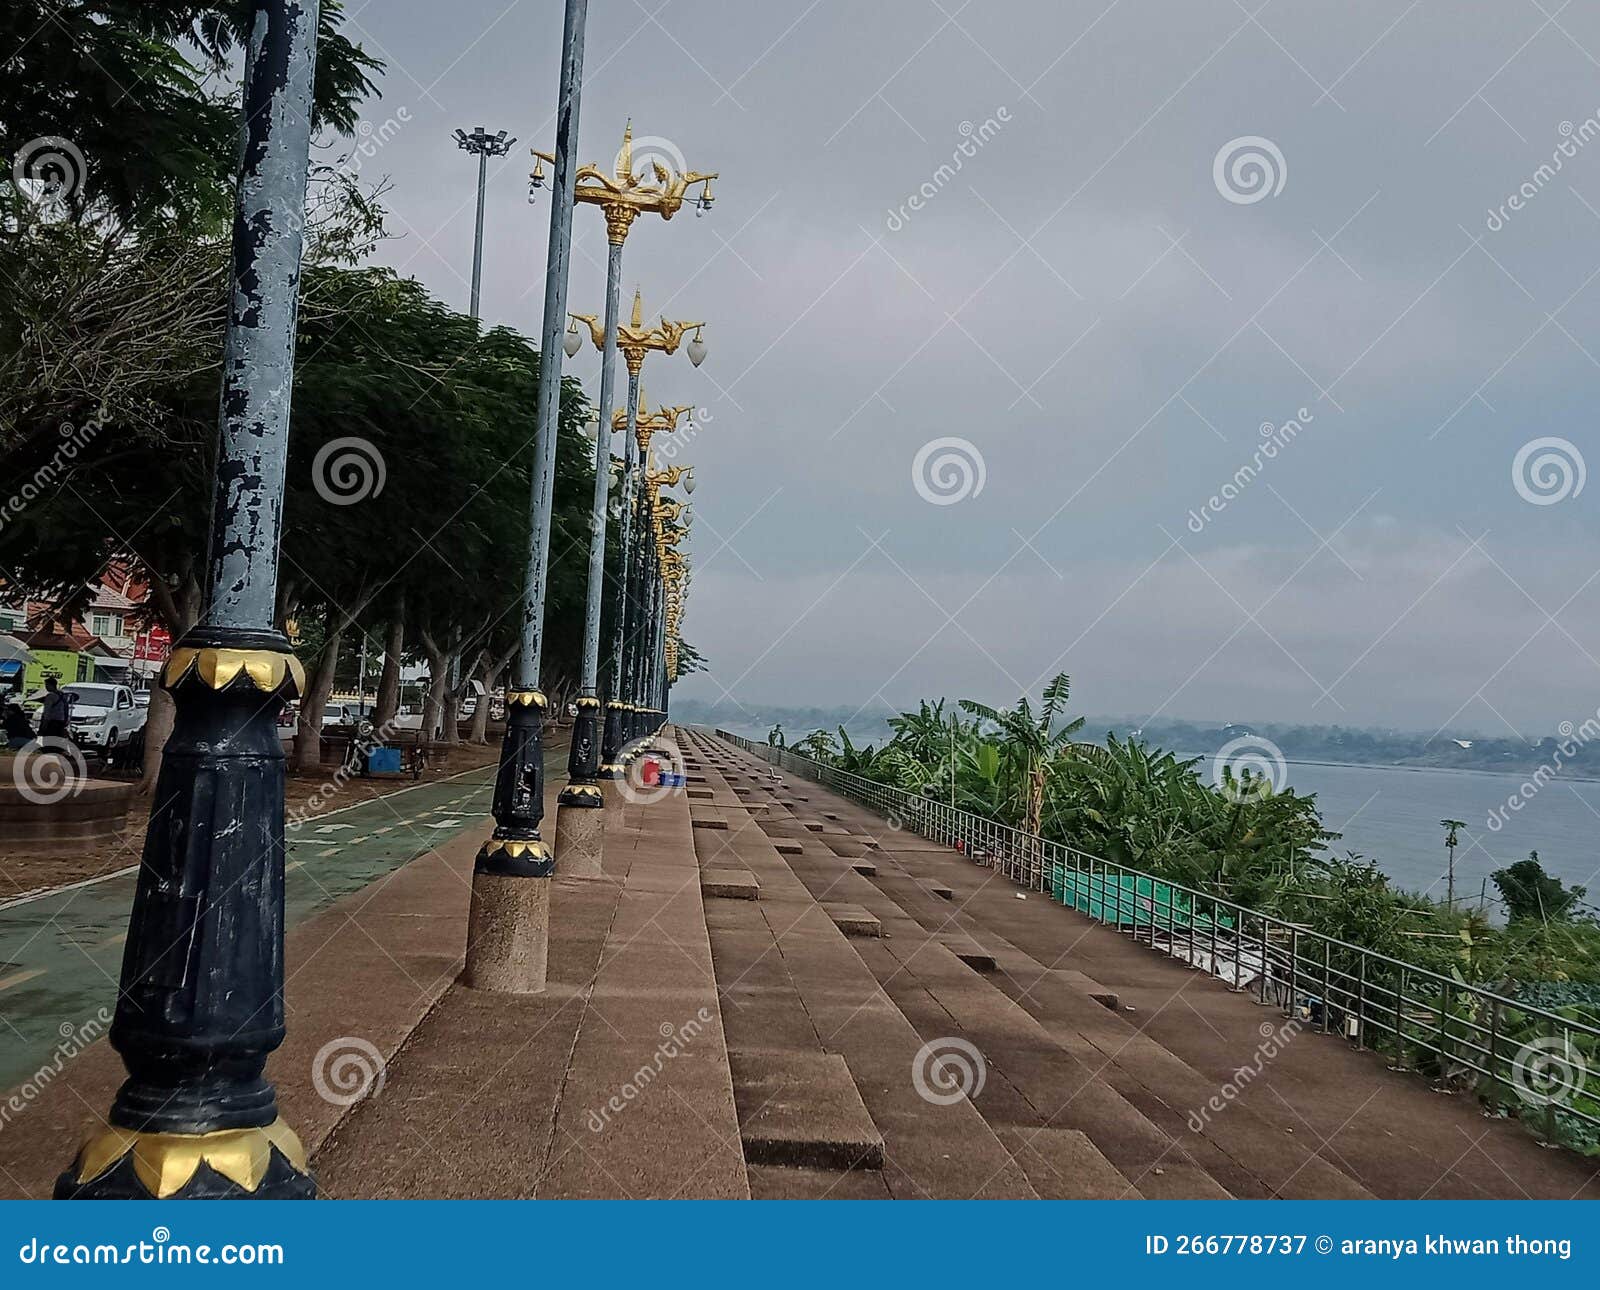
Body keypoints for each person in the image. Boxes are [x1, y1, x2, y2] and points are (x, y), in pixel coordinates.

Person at [38, 676, 73, 741]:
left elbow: (47, 712)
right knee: (57, 741)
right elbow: (66, 708)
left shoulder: (50, 696)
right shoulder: (62, 695)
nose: (46, 687)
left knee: (48, 741)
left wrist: (44, 725)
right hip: (61, 722)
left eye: (47, 685)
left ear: (51, 685)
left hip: (51, 723)